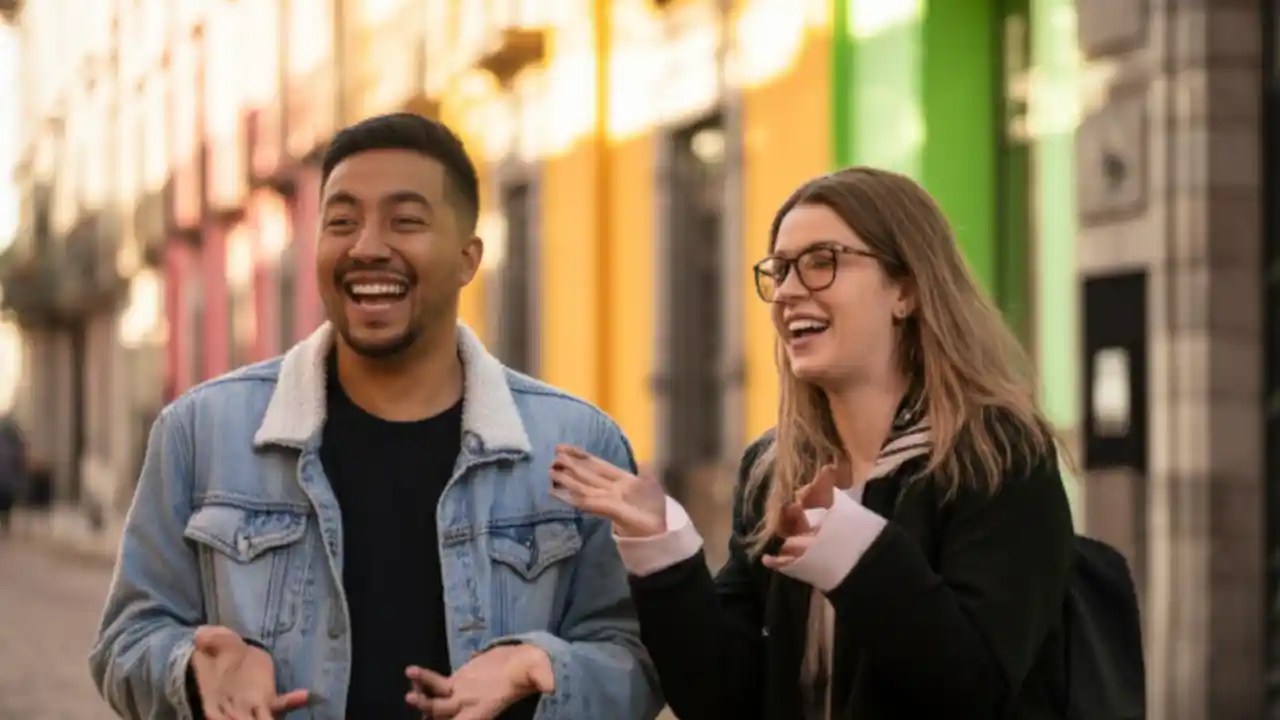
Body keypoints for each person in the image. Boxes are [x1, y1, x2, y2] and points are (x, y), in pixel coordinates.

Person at [89, 113, 662, 720]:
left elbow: (637, 663)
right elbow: (126, 639)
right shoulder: (201, 433)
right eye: (341, 222)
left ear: (469, 259)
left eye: (406, 222)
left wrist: (541, 666)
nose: (366, 247)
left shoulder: (576, 444)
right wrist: (194, 669)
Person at [551, 167, 1074, 718]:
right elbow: (721, 699)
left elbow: (976, 686)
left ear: (907, 290)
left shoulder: (996, 455)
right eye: (780, 270)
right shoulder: (773, 469)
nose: (788, 291)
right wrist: (662, 547)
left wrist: (853, 553)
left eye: (823, 262)